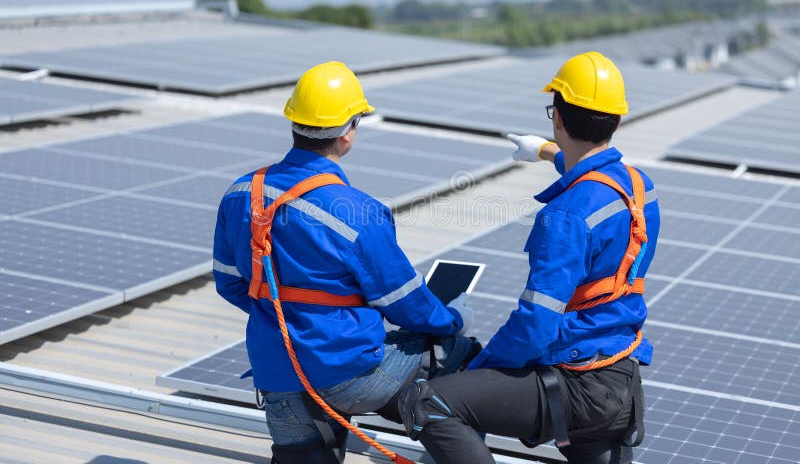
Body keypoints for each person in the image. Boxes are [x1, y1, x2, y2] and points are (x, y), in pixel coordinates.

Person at [398, 52, 660, 464]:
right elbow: (593, 174)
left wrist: (479, 369)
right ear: (617, 120)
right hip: (620, 382)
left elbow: (537, 325)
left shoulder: (565, 215)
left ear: (556, 117)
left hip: (575, 385)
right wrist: (546, 152)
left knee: (431, 403)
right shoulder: (639, 188)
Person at [213, 61, 479, 464]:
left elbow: (231, 284)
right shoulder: (359, 213)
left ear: (293, 122)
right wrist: (454, 320)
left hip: (277, 375)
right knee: (461, 356)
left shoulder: (240, 195)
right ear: (349, 132)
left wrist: (288, 316)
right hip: (349, 375)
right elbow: (407, 306)